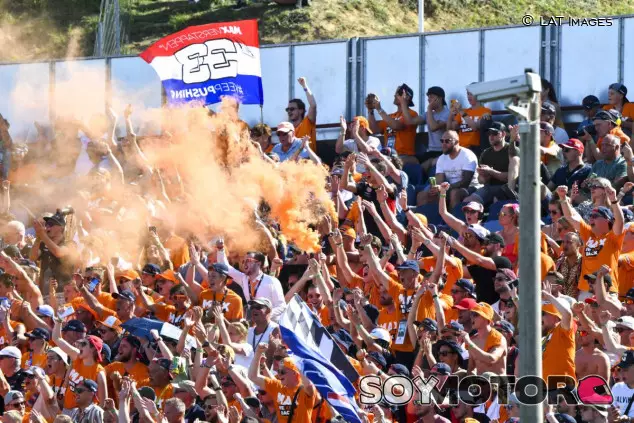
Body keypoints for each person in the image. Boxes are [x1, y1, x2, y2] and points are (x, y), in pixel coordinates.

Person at [216, 243, 286, 322]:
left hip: (271, 326)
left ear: (258, 263)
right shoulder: (243, 279)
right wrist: (220, 249)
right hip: (254, 326)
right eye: (244, 261)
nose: (245, 263)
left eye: (248, 260)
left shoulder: (272, 281)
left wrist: (265, 314)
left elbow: (282, 306)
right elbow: (226, 267)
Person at [416, 130, 477, 209]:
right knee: (422, 195)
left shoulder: (467, 156)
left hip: (470, 188)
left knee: (454, 193)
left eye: (447, 141)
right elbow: (439, 181)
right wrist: (436, 188)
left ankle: (452, 219)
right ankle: (424, 219)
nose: (443, 144)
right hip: (448, 187)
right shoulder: (442, 158)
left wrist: (443, 188)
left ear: (456, 142)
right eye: (442, 141)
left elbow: (465, 182)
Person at [367, 84, 419, 164]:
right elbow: (374, 130)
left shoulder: (411, 114)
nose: (395, 95)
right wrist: (370, 110)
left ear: (407, 97)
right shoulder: (391, 116)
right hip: (388, 155)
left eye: (399, 93)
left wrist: (380, 109)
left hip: (404, 156)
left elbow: (396, 126)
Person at [463, 122, 511, 207]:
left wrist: (491, 171)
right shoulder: (485, 153)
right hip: (489, 187)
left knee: (497, 202)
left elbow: (511, 177)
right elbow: (480, 181)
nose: (491, 137)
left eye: (495, 133)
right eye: (489, 134)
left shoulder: (511, 150)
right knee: (467, 202)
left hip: (507, 188)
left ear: (503, 134)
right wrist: (484, 176)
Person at [448, 85, 492, 156]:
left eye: (471, 94)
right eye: (468, 94)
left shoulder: (486, 111)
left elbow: (474, 127)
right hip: (459, 147)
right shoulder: (464, 111)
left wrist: (461, 111)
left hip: (474, 149)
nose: (469, 96)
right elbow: (450, 129)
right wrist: (451, 114)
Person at [287, 77, 317, 152]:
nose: (289, 112)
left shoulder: (307, 122)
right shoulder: (287, 130)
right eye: (288, 109)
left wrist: (304, 86)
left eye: (292, 109)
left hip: (309, 162)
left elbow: (313, 105)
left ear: (301, 111)